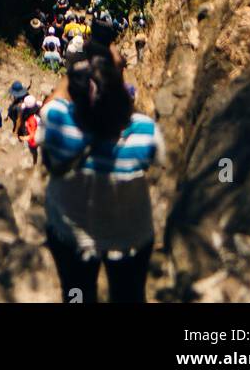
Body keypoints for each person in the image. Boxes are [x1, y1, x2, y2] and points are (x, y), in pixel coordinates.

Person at [38, 49, 163, 305]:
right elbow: (159, 161)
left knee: (77, 293)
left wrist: (76, 67)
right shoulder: (144, 131)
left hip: (71, 238)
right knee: (129, 296)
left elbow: (53, 102)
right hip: (129, 239)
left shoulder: (58, 123)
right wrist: (113, 76)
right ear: (119, 87)